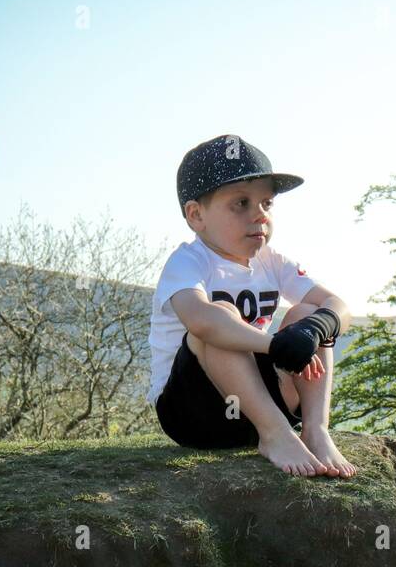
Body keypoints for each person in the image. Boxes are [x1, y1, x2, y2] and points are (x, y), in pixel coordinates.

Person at [147, 134, 357, 478]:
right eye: (241, 203)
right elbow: (200, 321)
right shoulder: (187, 263)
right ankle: (275, 435)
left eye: (266, 203)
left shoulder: (272, 261)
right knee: (220, 320)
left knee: (308, 314)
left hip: (256, 405)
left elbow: (339, 306)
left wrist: (311, 330)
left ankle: (315, 430)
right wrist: (274, 344)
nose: (259, 214)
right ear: (196, 215)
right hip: (193, 411)